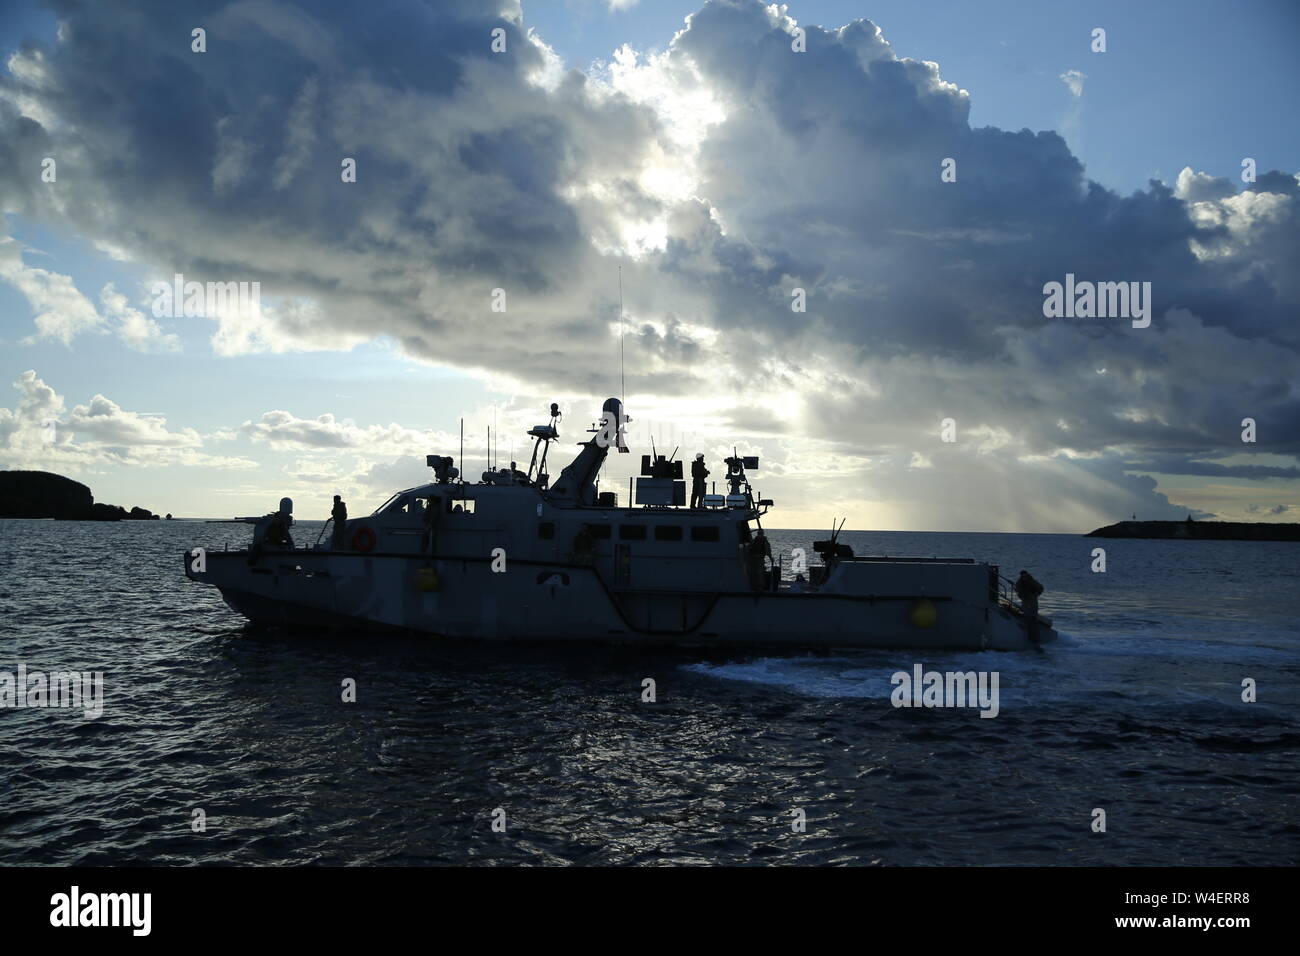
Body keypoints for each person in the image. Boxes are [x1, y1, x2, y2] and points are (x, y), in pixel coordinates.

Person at [1015, 570, 1044, 643]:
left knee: (1033, 617)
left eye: (1025, 576)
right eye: (1023, 576)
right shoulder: (1019, 583)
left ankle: (1035, 637)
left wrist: (1036, 594)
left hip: (1032, 600)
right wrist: (1021, 596)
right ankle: (1027, 630)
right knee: (1026, 615)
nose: (1024, 577)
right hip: (1025, 600)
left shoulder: (1032, 581)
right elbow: (1018, 591)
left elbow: (1041, 588)